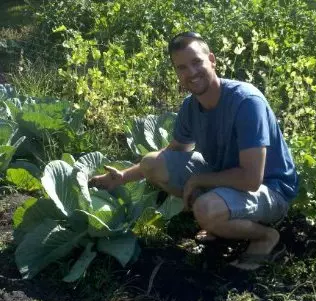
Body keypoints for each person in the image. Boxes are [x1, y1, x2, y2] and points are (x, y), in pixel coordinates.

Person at [89, 32, 299, 270]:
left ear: (212, 59)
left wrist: (199, 179)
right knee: (152, 163)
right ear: (177, 73)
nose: (191, 72)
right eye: (182, 67)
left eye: (196, 62)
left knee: (206, 208)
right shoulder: (191, 106)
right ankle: (221, 219)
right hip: (228, 181)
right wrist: (124, 177)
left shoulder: (246, 102)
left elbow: (252, 180)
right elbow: (174, 152)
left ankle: (265, 236)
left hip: (271, 191)